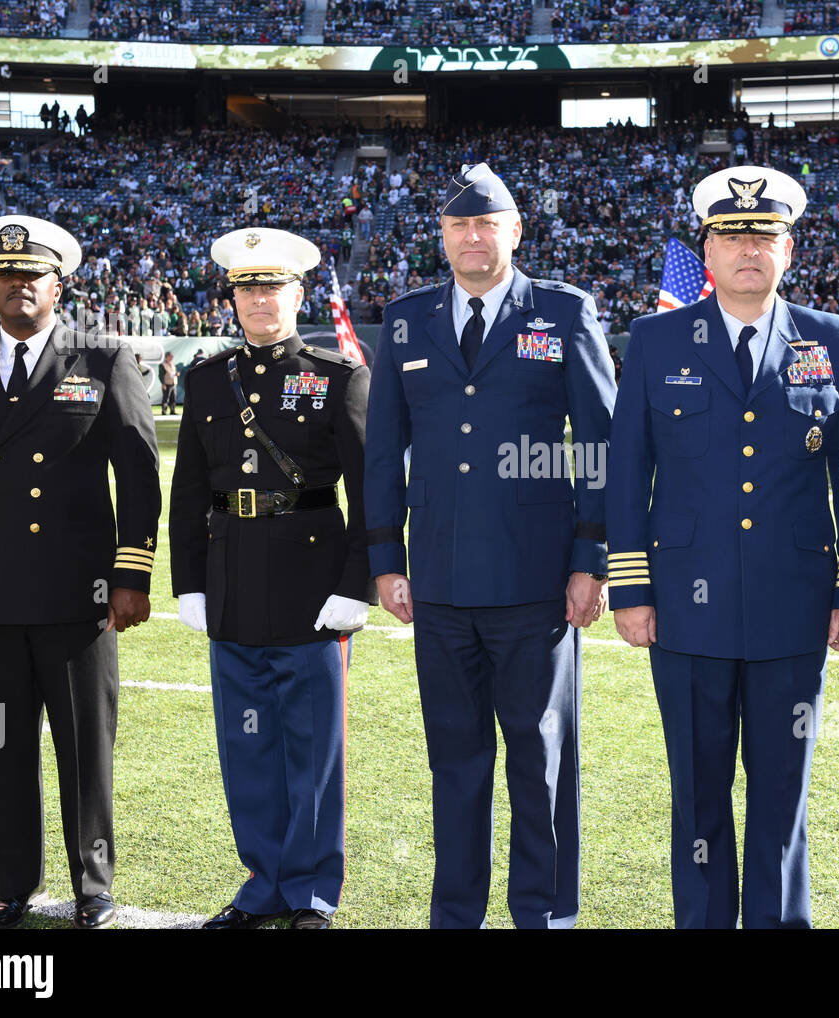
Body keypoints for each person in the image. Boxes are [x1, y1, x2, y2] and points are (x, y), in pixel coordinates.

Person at [606, 166, 839, 928]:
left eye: (763, 236)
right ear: (709, 248)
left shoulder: (831, 339)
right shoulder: (658, 340)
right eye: (732, 235)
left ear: (787, 249)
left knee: (781, 792)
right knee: (696, 792)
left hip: (793, 608)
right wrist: (630, 589)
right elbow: (627, 470)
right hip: (684, 610)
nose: (748, 249)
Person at [363, 163, 616, 928]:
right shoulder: (406, 320)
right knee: (456, 764)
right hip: (437, 581)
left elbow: (601, 444)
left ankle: (543, 914)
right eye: (458, 227)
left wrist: (591, 558)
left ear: (515, 230)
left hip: (537, 582)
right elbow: (382, 452)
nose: (473, 238)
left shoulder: (565, 313)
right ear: (443, 238)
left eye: (487, 224)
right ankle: (457, 913)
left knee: (541, 764)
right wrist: (385, 559)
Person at [0, 215, 160, 929]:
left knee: (85, 751)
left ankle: (94, 884)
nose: (16, 286)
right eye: (2, 275)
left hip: (78, 595)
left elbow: (139, 477)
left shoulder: (103, 359)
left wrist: (132, 573)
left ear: (59, 284)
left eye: (30, 275)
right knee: (4, 747)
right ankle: (13, 885)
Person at [169, 228, 374, 931]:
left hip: (314, 586)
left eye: (273, 286)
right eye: (247, 287)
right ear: (232, 297)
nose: (260, 298)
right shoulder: (205, 380)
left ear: (298, 293)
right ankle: (262, 883)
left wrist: (359, 585)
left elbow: (372, 490)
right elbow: (188, 491)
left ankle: (312, 890)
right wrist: (188, 584)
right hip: (230, 580)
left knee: (313, 749)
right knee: (248, 745)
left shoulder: (339, 377)